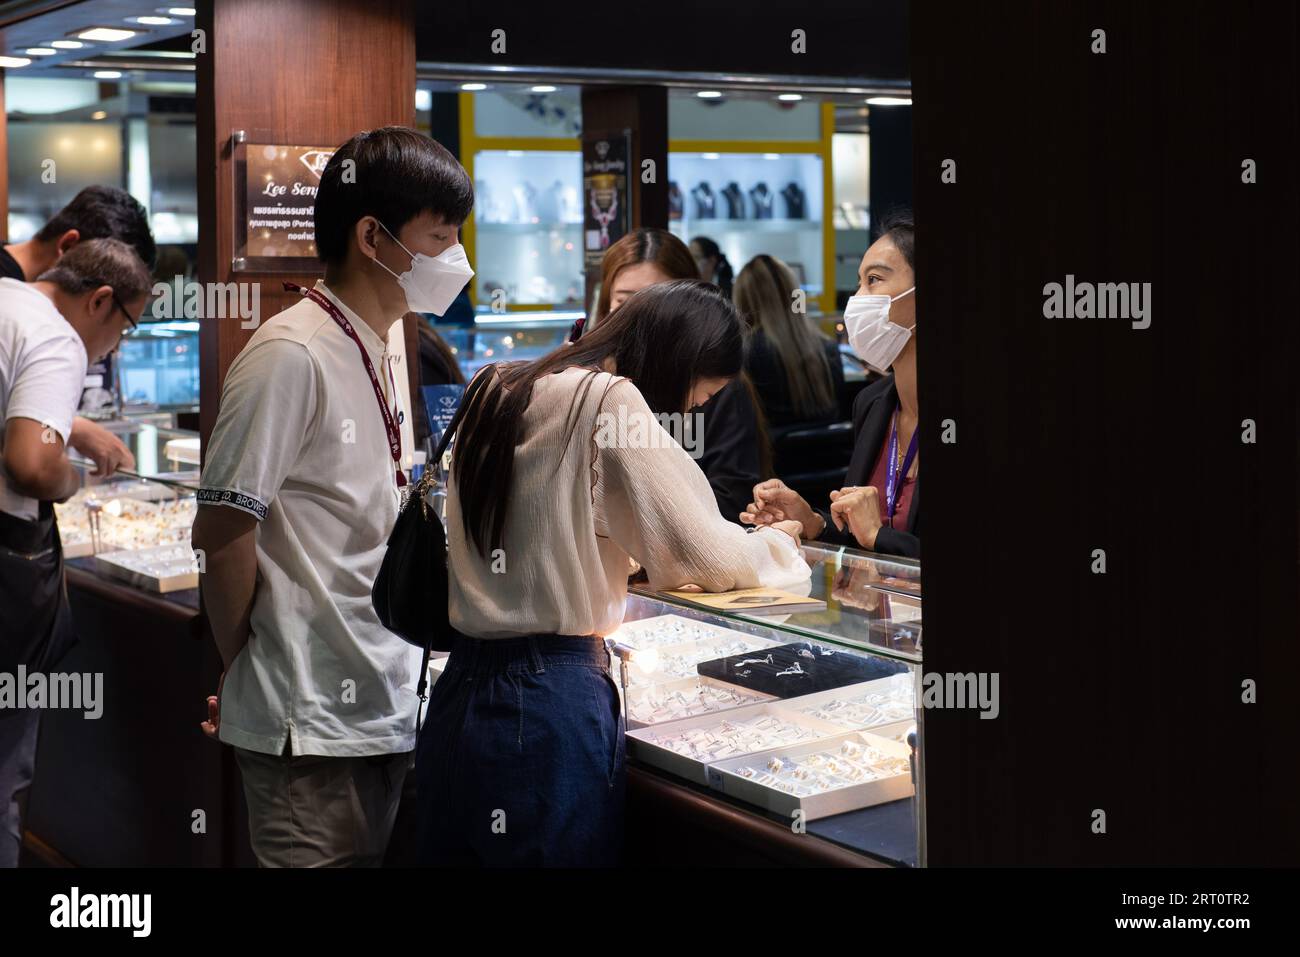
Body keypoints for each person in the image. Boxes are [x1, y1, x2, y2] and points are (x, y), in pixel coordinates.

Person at [417, 279, 807, 867]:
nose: (699, 408)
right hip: (549, 701)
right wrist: (781, 542)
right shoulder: (609, 400)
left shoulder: (494, 383)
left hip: (458, 695)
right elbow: (707, 555)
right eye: (706, 391)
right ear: (683, 358)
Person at [192, 126, 474, 867]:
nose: (454, 259)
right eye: (439, 237)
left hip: (388, 707)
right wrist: (248, 668)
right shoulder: (290, 353)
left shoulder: (387, 340)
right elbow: (223, 531)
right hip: (307, 729)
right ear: (373, 237)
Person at [0, 239, 151, 867]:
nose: (112, 350)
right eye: (124, 330)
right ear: (100, 300)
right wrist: (72, 479)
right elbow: (30, 465)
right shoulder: (58, 338)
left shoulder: (6, 300)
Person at [742, 211, 920, 558]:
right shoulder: (873, 403)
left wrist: (878, 536)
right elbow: (859, 541)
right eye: (859, 282)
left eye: (874, 280)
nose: (858, 299)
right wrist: (814, 523)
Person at [590, 228, 768, 519]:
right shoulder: (590, 382)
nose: (639, 318)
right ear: (606, 302)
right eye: (624, 301)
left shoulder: (716, 388)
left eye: (656, 302)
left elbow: (732, 497)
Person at [1, 185, 159, 479]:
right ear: (70, 249)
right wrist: (74, 434)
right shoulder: (50, 331)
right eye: (104, 259)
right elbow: (30, 465)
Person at [734, 253, 844, 432]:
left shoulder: (745, 352)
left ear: (745, 301)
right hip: (832, 457)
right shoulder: (828, 348)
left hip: (771, 457)